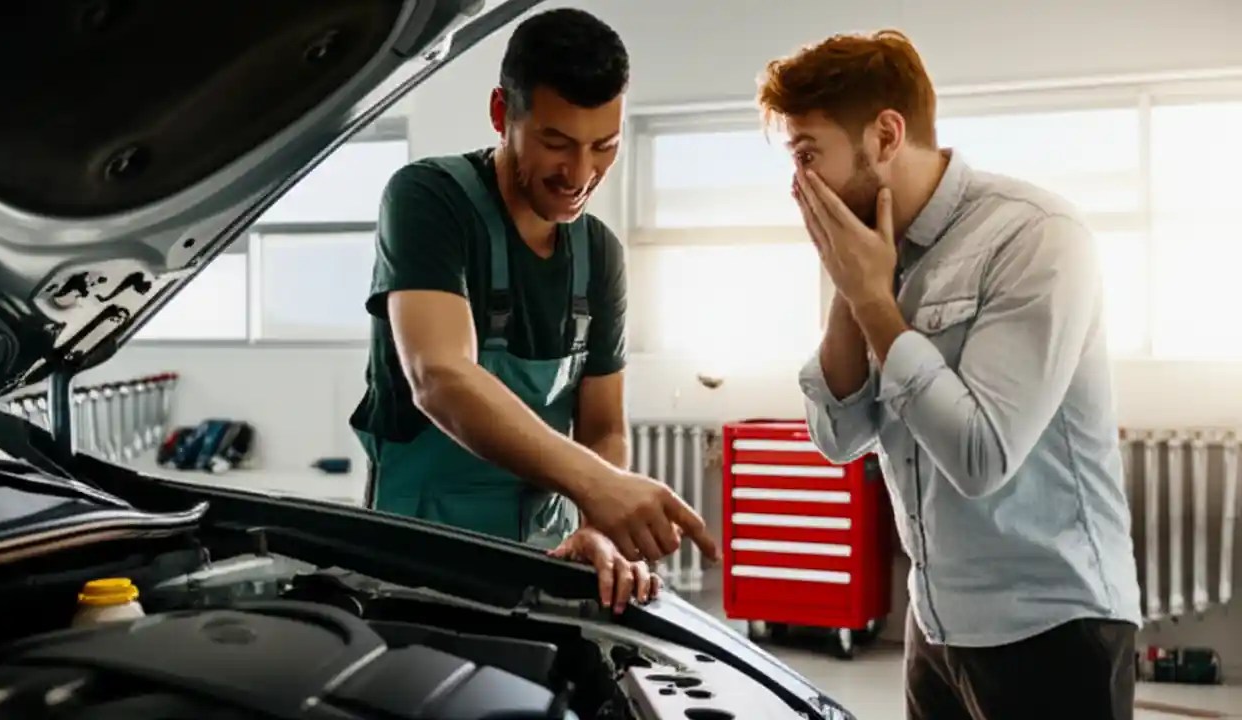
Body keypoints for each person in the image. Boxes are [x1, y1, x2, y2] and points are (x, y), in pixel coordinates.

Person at [757, 30, 1142, 720]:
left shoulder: (1035, 236)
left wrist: (874, 300)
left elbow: (980, 454)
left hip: (1053, 628)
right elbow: (840, 438)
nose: (799, 185)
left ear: (884, 135)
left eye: (808, 155)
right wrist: (854, 291)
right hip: (935, 626)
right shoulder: (869, 253)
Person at [350, 8, 718, 612]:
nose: (580, 173)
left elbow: (601, 425)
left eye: (605, 146)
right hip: (414, 559)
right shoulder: (428, 200)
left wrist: (598, 525)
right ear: (503, 115)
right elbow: (439, 376)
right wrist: (602, 485)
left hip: (541, 560)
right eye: (556, 143)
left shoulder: (598, 254)